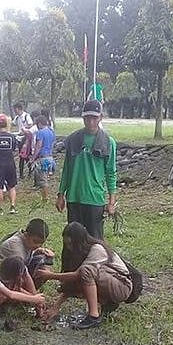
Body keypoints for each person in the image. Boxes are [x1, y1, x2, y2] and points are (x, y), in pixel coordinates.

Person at [39, 222, 131, 330]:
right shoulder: (80, 253)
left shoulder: (97, 249)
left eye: (71, 244)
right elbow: (72, 282)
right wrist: (55, 307)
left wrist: (51, 275)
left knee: (85, 272)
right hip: (109, 282)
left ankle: (93, 316)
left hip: (122, 286)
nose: (69, 247)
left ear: (79, 242)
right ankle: (106, 302)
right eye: (67, 244)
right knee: (80, 277)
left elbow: (79, 275)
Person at [57, 99, 117, 240]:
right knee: (73, 240)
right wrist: (61, 194)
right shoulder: (73, 139)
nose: (90, 122)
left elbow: (111, 173)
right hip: (74, 197)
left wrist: (111, 201)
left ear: (100, 117)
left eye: (94, 118)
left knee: (95, 242)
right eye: (87, 118)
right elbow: (67, 169)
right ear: (83, 118)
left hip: (95, 199)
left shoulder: (108, 142)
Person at [0, 218, 55, 289]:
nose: (38, 245)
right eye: (35, 242)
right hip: (4, 278)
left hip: (19, 271)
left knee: (44, 259)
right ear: (26, 235)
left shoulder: (26, 241)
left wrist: (41, 251)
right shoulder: (14, 246)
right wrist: (34, 297)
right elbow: (23, 273)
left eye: (41, 243)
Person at [30, 115, 56, 202]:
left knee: (42, 180)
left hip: (43, 158)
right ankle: (44, 196)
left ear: (40, 123)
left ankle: (45, 198)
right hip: (50, 157)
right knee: (44, 178)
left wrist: (33, 158)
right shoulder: (51, 131)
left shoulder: (40, 132)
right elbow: (52, 145)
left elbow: (38, 146)